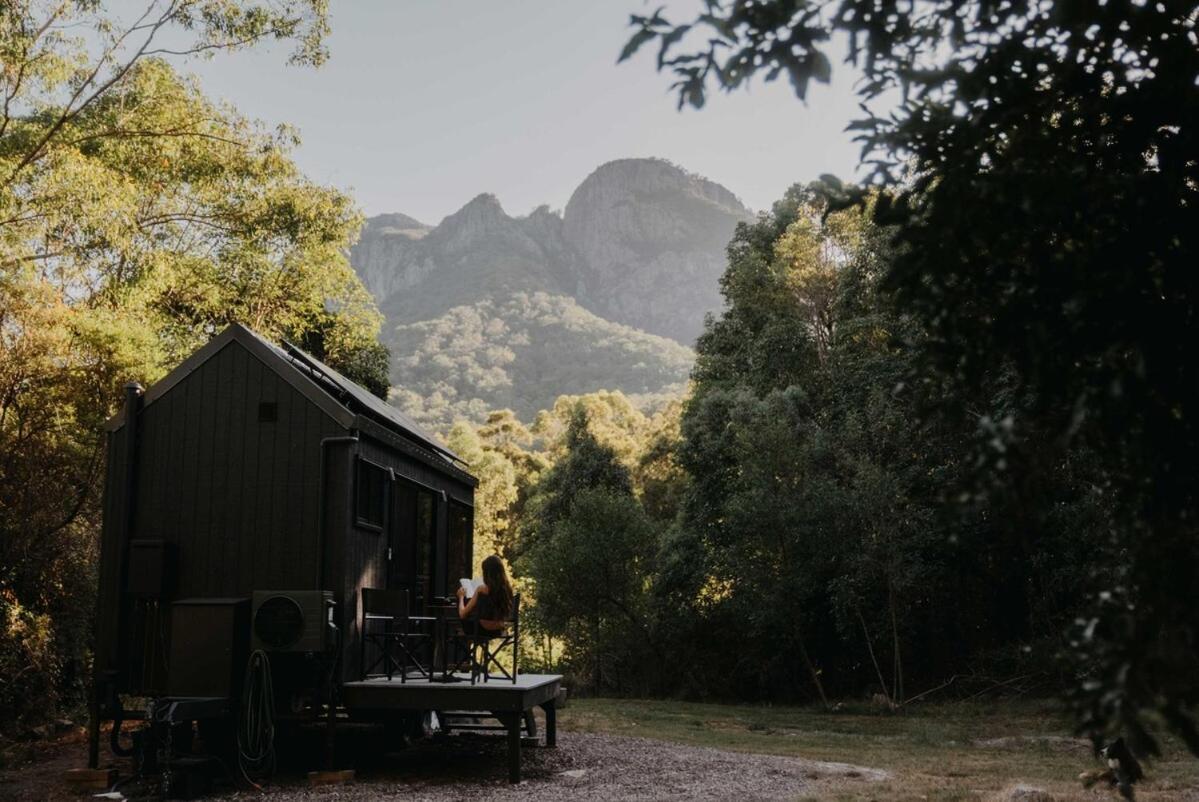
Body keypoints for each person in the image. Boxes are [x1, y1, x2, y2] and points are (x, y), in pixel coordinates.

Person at [455, 554, 514, 638]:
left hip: (479, 629)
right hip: (498, 631)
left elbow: (462, 614)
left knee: (463, 618)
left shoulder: (482, 589)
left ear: (487, 573)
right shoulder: (508, 590)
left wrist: (461, 597)